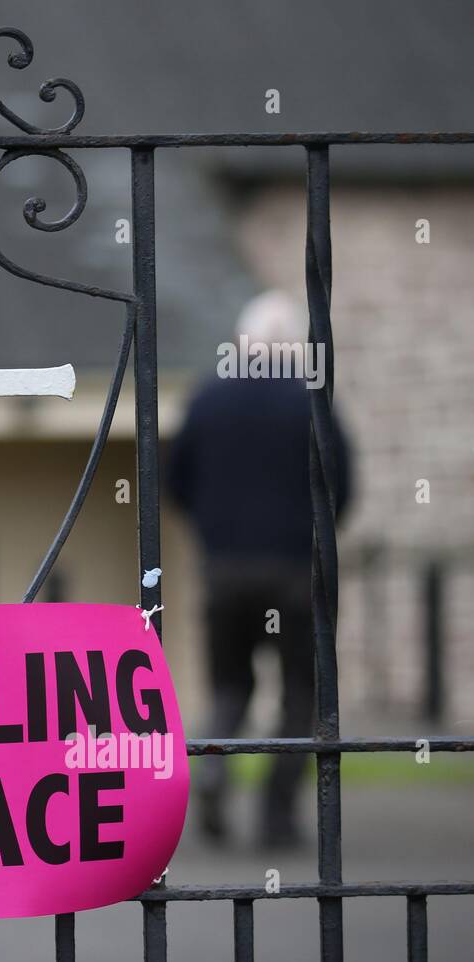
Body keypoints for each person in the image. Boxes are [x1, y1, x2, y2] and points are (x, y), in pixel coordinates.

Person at [167, 290, 352, 849]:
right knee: (300, 692)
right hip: (296, 572)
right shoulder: (311, 400)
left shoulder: (208, 397)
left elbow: (175, 479)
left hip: (225, 569)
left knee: (229, 684)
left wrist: (214, 530)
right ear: (292, 346)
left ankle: (215, 768)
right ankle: (276, 814)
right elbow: (342, 485)